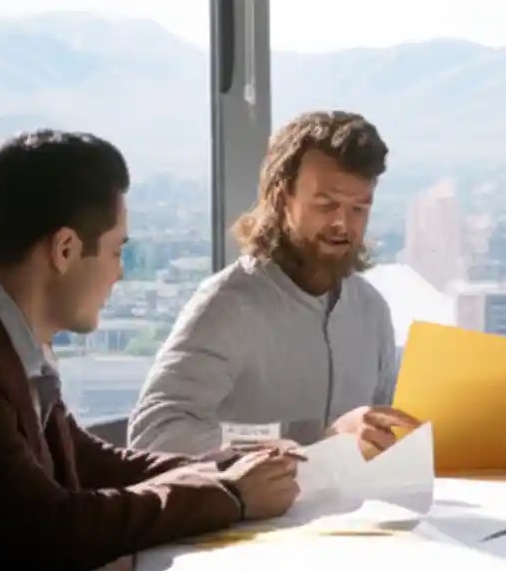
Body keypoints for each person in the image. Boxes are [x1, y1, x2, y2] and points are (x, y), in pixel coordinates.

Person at [0, 131, 300, 571]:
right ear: (63, 249)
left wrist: (227, 468)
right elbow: (51, 527)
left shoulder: (8, 343)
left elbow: (87, 462)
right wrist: (228, 496)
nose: (119, 274)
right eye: (116, 251)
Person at [129, 111, 419, 459]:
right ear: (282, 200)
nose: (343, 223)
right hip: (249, 513)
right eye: (325, 205)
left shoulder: (371, 309)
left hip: (360, 513)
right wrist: (309, 437)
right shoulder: (228, 305)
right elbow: (154, 432)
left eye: (359, 208)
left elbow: (382, 436)